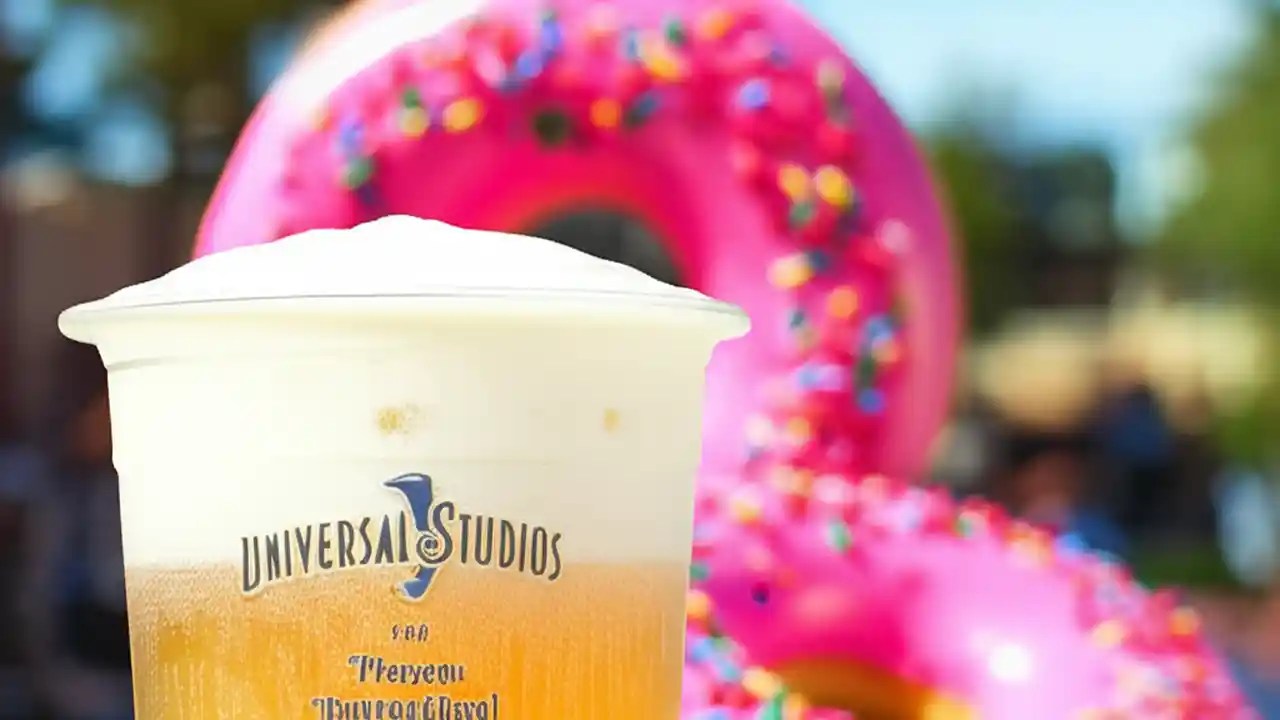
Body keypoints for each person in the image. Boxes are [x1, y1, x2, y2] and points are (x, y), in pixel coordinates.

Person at [18, 341, 132, 720]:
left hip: (135, 659)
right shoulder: (58, 494)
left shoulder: (139, 487)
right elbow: (39, 597)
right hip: (81, 670)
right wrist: (52, 678)